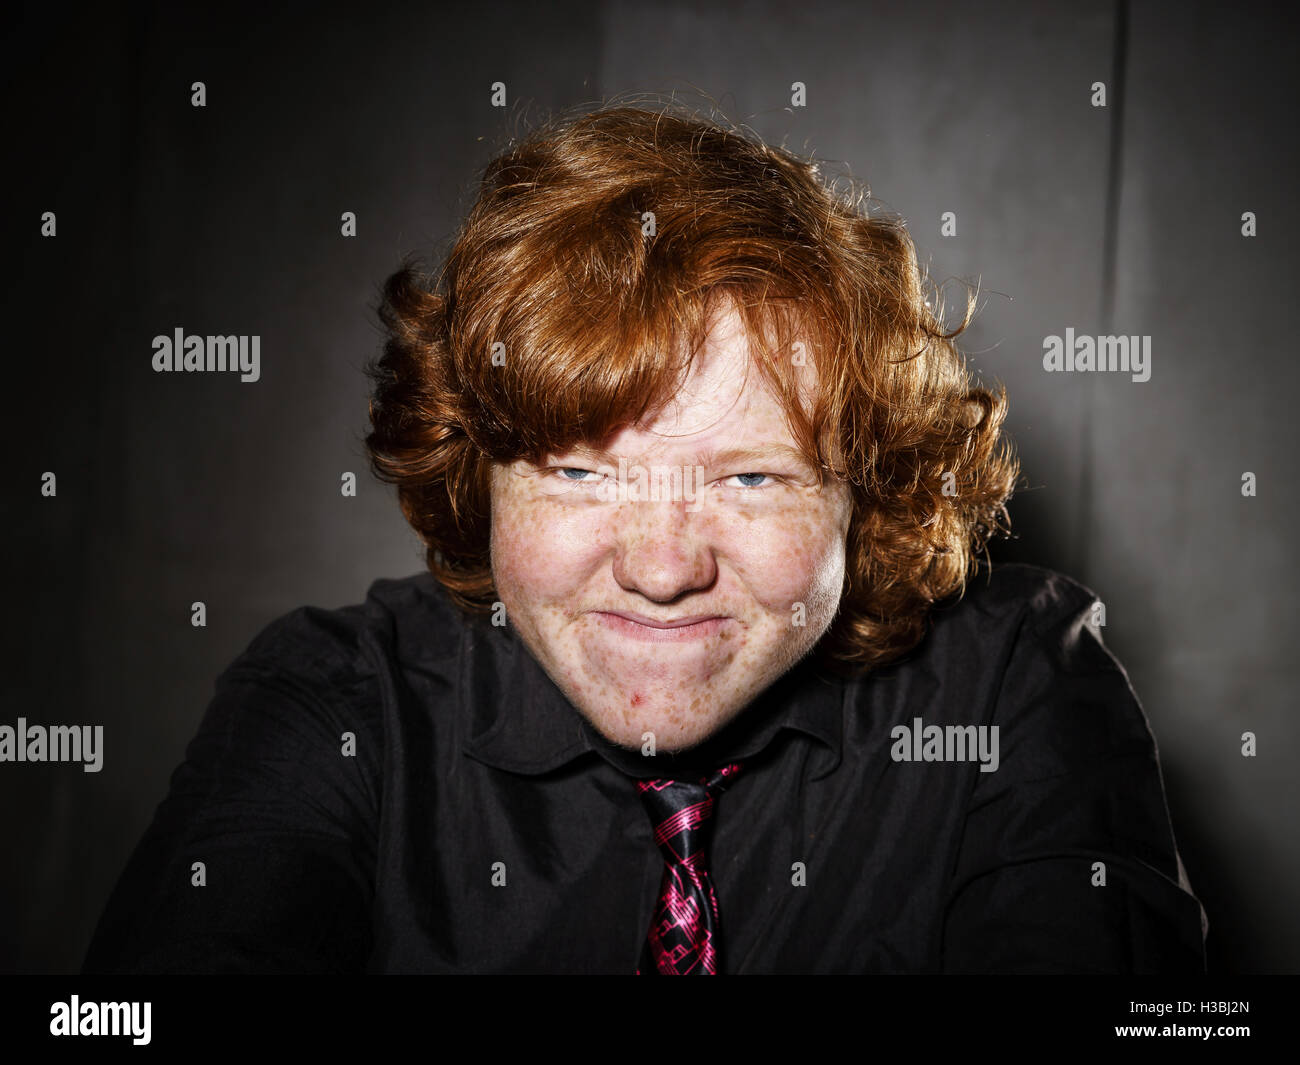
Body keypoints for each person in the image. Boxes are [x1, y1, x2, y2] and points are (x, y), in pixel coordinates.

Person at [83, 104, 1206, 974]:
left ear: (868, 495)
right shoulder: (336, 703)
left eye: (752, 477)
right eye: (580, 473)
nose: (663, 570)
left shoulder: (1015, 685)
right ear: (476, 482)